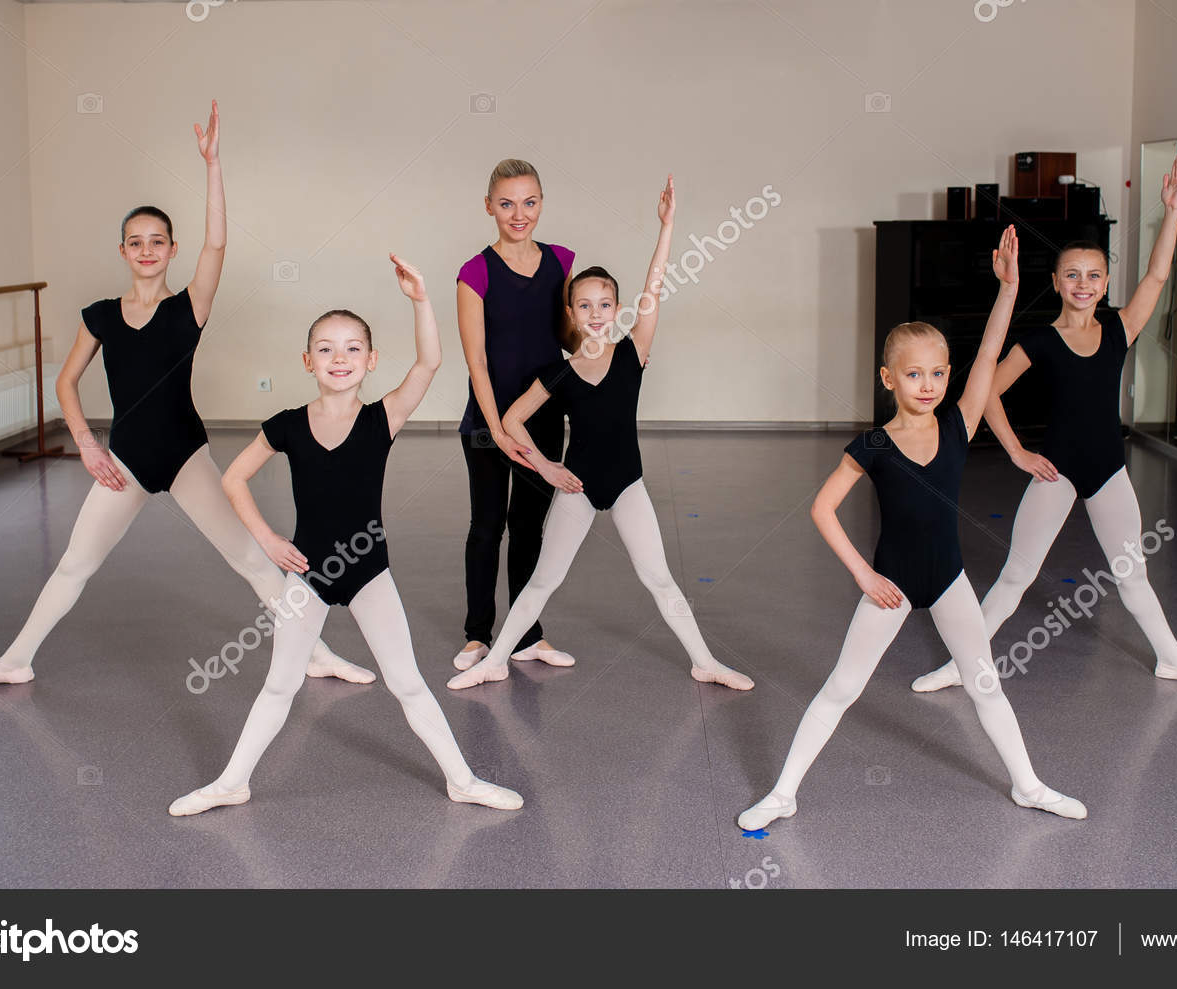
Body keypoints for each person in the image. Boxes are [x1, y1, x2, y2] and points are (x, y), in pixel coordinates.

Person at [0, 102, 370, 692]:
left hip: (184, 456)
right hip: (123, 459)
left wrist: (213, 165)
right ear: (122, 251)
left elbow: (218, 245)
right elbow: (65, 382)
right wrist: (87, 446)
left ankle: (316, 652)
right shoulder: (99, 317)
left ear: (173, 249)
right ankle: (15, 659)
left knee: (251, 560)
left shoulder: (187, 309)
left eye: (157, 241)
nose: (146, 249)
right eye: (135, 241)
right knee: (75, 564)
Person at [739, 225, 1085, 832]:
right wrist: (864, 573)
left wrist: (1008, 291)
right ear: (888, 378)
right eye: (914, 375)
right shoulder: (872, 445)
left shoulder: (958, 426)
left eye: (937, 374)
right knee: (842, 687)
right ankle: (784, 793)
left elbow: (987, 356)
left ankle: (1028, 786)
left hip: (948, 581)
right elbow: (822, 509)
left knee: (985, 685)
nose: (928, 386)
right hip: (892, 582)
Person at [170, 255, 522, 815]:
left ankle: (462, 780)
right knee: (279, 685)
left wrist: (420, 299)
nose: (340, 358)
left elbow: (430, 363)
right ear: (307, 360)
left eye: (353, 348)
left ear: (372, 360)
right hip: (305, 575)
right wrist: (265, 539)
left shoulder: (382, 417)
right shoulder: (286, 423)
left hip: (368, 572)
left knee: (406, 683)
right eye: (327, 349)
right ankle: (232, 782)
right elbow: (234, 478)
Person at [911, 156, 1177, 694]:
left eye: (1094, 276)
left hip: (1108, 470)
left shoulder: (1120, 328)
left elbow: (1157, 275)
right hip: (1054, 471)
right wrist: (1015, 451)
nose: (1084, 284)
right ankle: (963, 665)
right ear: (1057, 283)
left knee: (1133, 575)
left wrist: (1172, 210)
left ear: (1105, 284)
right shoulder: (1038, 341)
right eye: (1073, 275)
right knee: (1017, 574)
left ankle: (1172, 658)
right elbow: (986, 390)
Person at [449, 176, 752, 694]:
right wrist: (546, 467)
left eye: (604, 304)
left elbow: (654, 287)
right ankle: (496, 657)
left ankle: (704, 661)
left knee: (659, 578)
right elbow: (514, 419)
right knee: (544, 579)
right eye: (583, 305)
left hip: (628, 484)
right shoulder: (559, 372)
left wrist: (668, 227)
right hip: (579, 488)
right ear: (570, 313)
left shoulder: (634, 353)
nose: (595, 314)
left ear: (617, 309)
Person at [453, 159, 578, 673]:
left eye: (529, 202)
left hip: (544, 417)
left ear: (541, 203)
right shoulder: (475, 272)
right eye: (506, 203)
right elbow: (477, 363)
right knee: (487, 526)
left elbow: (566, 338)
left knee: (530, 527)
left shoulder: (562, 261)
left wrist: (596, 339)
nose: (518, 213)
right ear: (489, 206)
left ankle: (527, 632)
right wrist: (499, 430)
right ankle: (478, 635)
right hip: (487, 422)